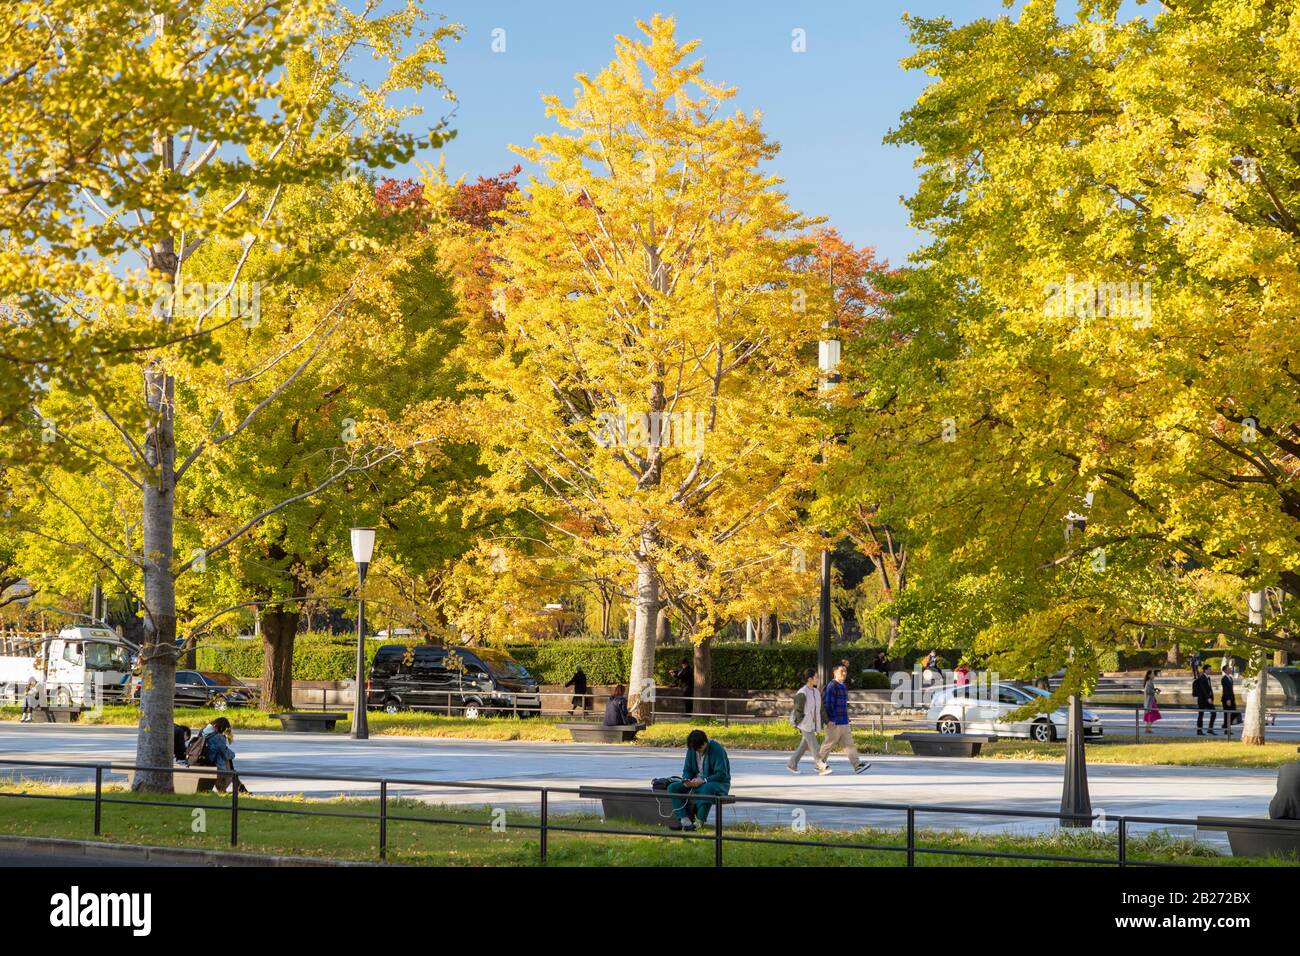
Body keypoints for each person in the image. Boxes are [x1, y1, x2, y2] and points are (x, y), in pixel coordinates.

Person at [666, 729, 730, 831]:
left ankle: (698, 822)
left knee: (707, 788)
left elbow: (721, 774)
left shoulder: (717, 749)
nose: (698, 751)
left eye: (700, 748)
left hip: (717, 784)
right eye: (695, 749)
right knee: (672, 787)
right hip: (696, 783)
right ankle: (684, 821)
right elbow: (687, 769)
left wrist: (703, 780)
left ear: (705, 742)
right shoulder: (692, 749)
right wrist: (687, 780)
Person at [816, 663, 871, 775]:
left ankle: (857, 765)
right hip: (834, 722)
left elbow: (843, 704)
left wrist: (847, 718)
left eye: (845, 671)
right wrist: (831, 719)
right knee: (828, 744)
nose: (844, 673)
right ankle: (819, 764)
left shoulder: (843, 686)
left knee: (849, 744)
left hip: (844, 721)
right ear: (835, 673)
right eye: (842, 671)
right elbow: (828, 704)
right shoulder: (832, 686)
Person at [786, 668, 827, 775]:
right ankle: (821, 765)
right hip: (804, 724)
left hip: (812, 724)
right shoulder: (802, 693)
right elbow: (798, 710)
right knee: (814, 745)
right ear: (810, 679)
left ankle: (792, 764)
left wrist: (827, 721)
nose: (817, 679)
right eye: (816, 677)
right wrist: (799, 724)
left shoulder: (816, 691)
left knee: (804, 745)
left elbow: (821, 708)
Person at [199, 717, 248, 794]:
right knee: (228, 761)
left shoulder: (203, 731)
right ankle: (238, 788)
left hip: (203, 759)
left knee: (231, 768)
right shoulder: (218, 737)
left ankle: (240, 788)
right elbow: (225, 753)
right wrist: (233, 754)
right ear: (222, 727)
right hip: (214, 763)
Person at [1192, 664, 1217, 735]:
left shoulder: (1208, 678)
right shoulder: (1202, 678)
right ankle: (1199, 730)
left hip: (1208, 699)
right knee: (1201, 714)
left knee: (1214, 713)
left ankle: (1210, 729)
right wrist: (1208, 698)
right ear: (1205, 670)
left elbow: (1208, 688)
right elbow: (1203, 689)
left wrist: (1211, 697)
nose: (1211, 670)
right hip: (1202, 700)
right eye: (1209, 669)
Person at [1221, 663, 1238, 735]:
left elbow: (1231, 689)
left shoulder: (1230, 678)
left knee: (1234, 713)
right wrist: (1228, 699)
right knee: (1227, 714)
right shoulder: (1224, 679)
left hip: (1231, 698)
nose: (1230, 670)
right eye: (1229, 669)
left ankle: (1225, 725)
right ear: (1225, 671)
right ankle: (1227, 729)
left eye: (1230, 669)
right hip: (1226, 699)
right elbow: (1225, 690)